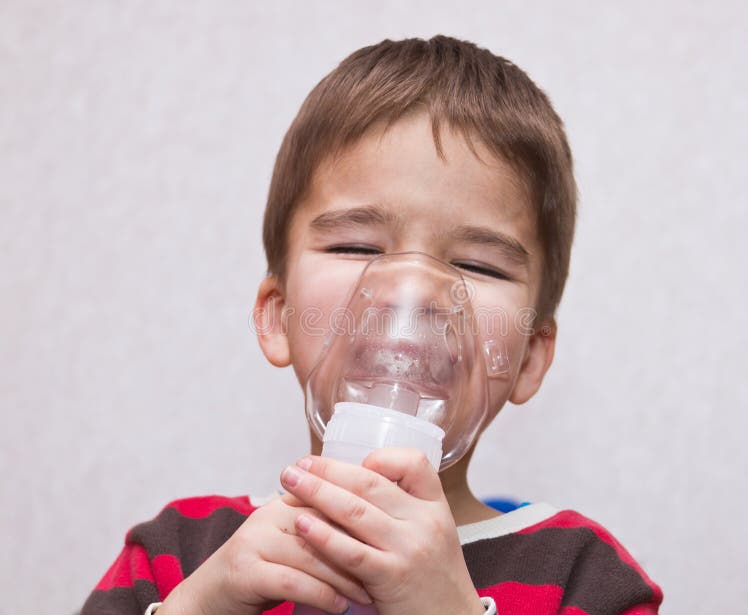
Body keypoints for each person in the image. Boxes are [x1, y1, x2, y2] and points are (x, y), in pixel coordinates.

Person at [81, 35, 663, 615]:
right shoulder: (177, 558)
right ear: (278, 315)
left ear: (530, 356)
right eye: (357, 246)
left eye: (475, 265)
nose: (412, 295)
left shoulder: (581, 577)